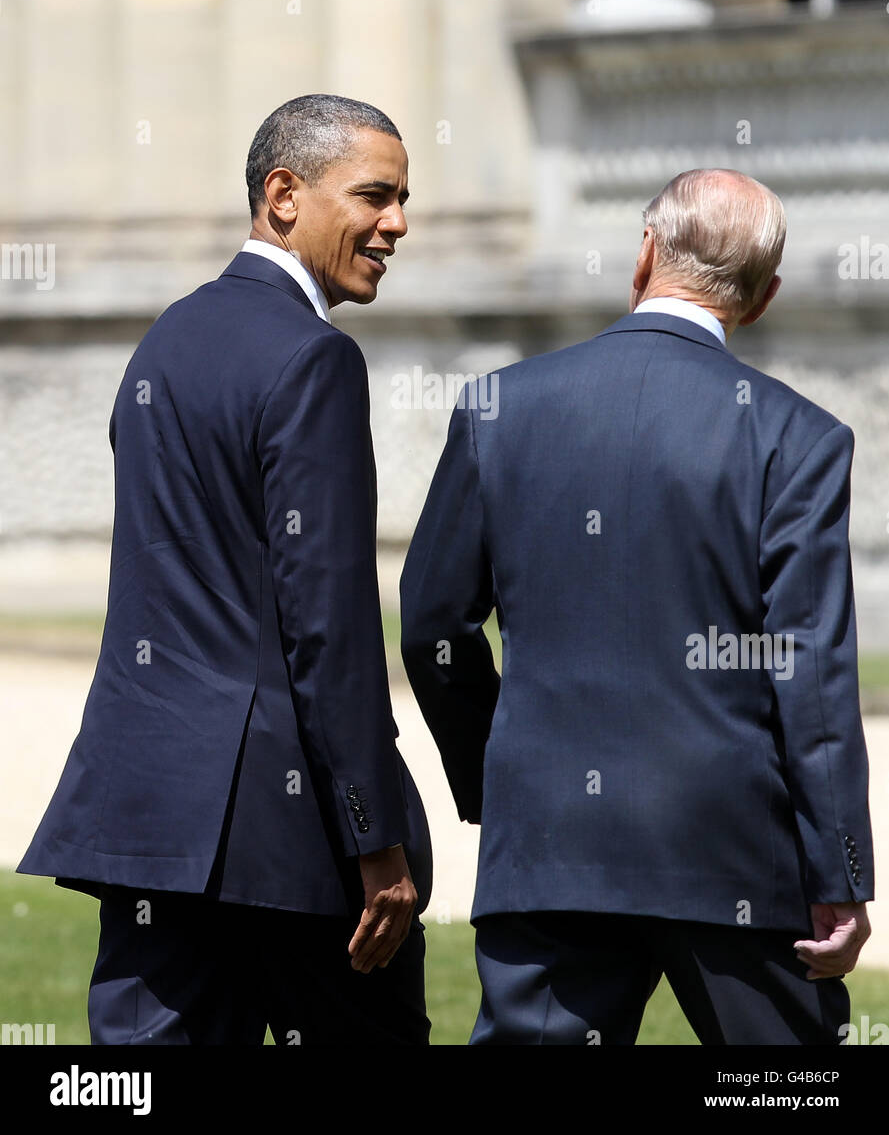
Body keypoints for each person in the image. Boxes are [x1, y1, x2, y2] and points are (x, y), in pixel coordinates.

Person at [400, 168, 873, 1045]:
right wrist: (840, 867)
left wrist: (495, 778)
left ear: (645, 254)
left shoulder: (498, 406)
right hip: (733, 847)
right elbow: (808, 673)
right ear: (762, 299)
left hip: (549, 840)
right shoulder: (799, 437)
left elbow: (434, 626)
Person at [19, 93, 432, 1046]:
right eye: (375, 195)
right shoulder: (314, 360)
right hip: (281, 844)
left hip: (148, 819)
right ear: (283, 194)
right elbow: (326, 624)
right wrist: (375, 841)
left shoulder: (164, 339)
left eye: (404, 199)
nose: (397, 223)